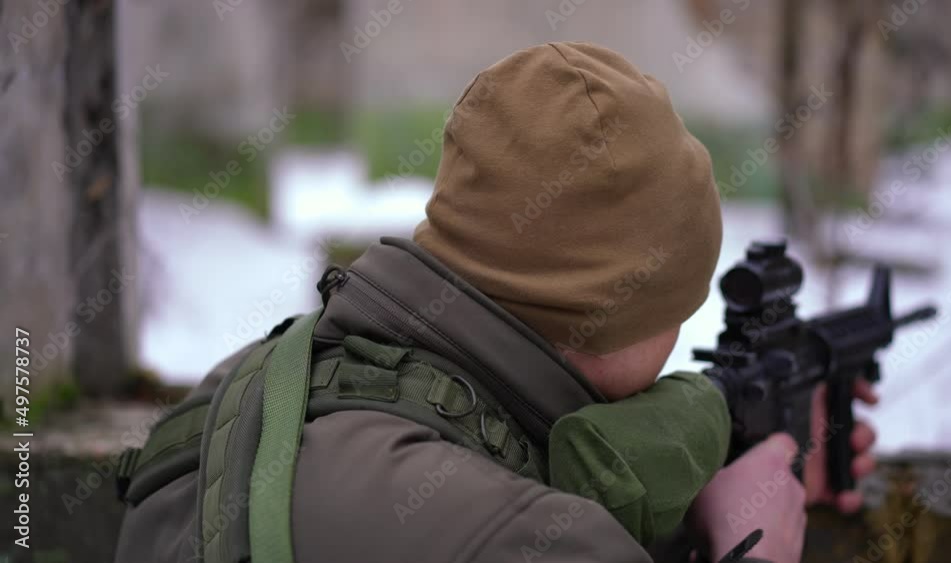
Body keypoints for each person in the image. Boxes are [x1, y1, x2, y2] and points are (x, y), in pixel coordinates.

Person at [115, 42, 877, 563]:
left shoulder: (252, 389)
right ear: (616, 313)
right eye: (676, 302)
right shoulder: (543, 539)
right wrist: (756, 544)